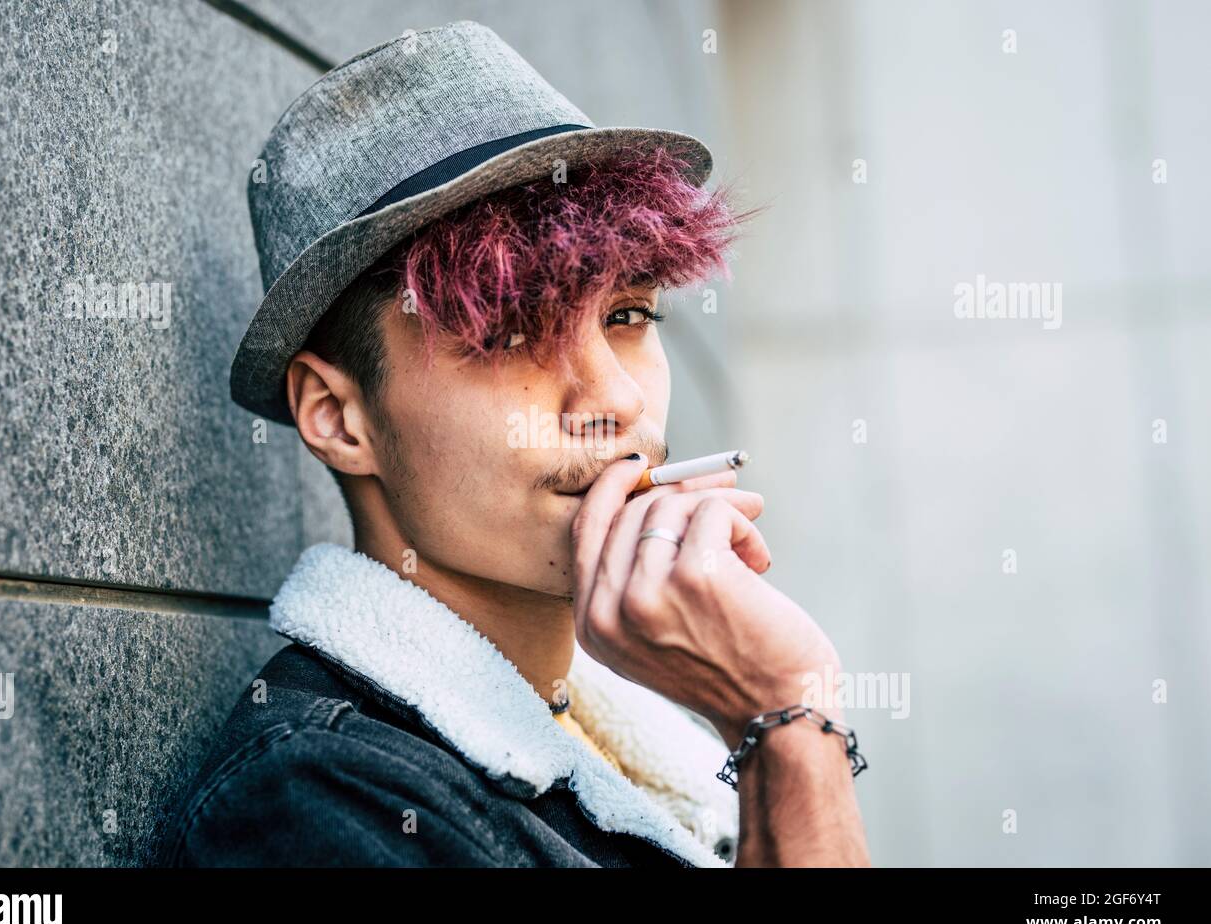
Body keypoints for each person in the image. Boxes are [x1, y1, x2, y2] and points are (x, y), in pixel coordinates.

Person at [162, 19, 869, 868]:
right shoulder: (315, 800)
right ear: (339, 416)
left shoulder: (643, 754)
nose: (613, 395)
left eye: (627, 315)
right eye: (507, 328)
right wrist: (785, 725)